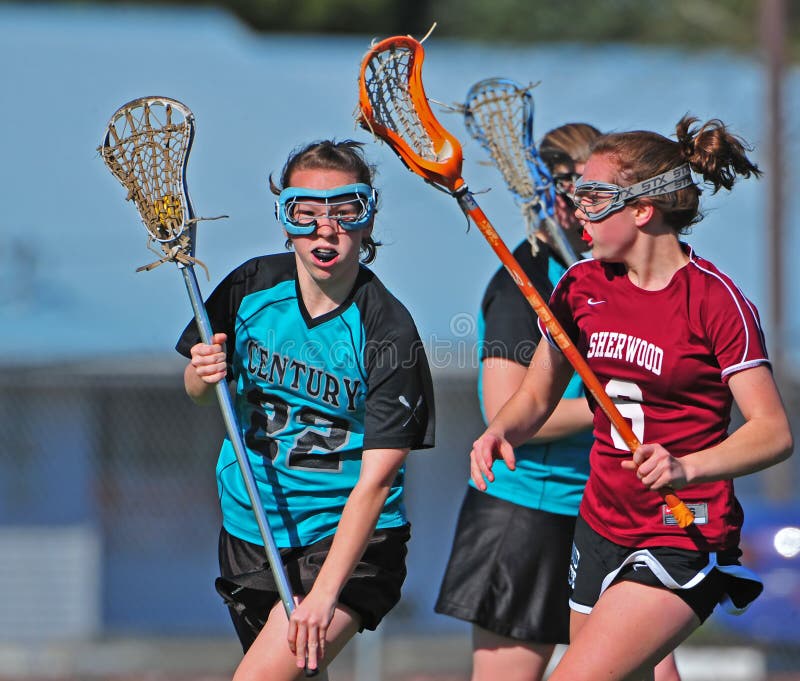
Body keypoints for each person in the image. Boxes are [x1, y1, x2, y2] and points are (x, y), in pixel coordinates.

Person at [470, 116, 793, 681]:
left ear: (643, 210)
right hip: (601, 523)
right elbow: (536, 395)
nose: (578, 210)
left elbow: (772, 432)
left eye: (594, 196)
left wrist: (687, 466)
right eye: (576, 194)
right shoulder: (580, 285)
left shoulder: (716, 302)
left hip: (682, 529)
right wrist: (502, 430)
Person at [176, 139, 435, 680]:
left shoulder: (389, 331)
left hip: (348, 542)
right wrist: (201, 376)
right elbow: (201, 392)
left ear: (367, 222)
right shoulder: (250, 286)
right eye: (307, 211)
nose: (326, 228)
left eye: (345, 212)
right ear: (285, 218)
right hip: (251, 530)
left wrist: (323, 593)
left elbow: (378, 481)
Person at [435, 123, 599, 681]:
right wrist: (621, 409)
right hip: (526, 515)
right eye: (568, 186)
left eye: (596, 187)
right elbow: (503, 410)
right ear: (548, 193)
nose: (581, 203)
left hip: (603, 517)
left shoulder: (612, 280)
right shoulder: (524, 281)